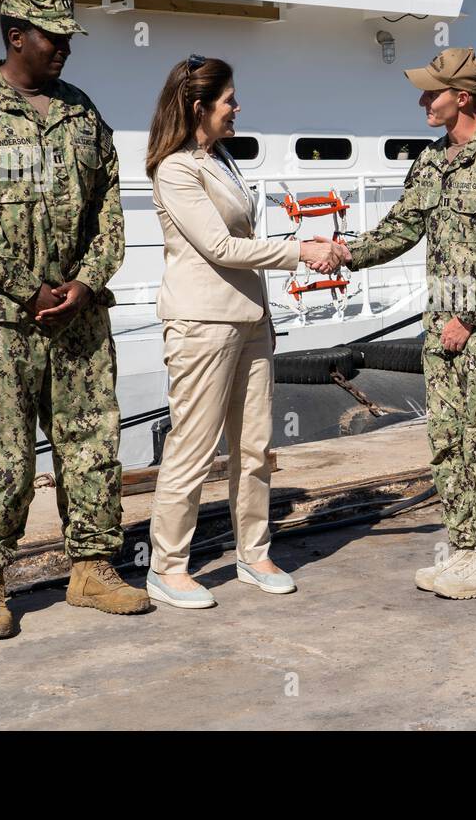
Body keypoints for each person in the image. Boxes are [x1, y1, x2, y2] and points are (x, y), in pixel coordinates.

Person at [0, 0, 149, 641]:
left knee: (91, 442)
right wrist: (27, 288)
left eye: (68, 36)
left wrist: (85, 280)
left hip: (78, 316)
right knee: (2, 449)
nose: (65, 47)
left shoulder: (82, 111)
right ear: (16, 35)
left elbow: (109, 206)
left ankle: (92, 566)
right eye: (53, 36)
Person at [144, 55, 344, 608]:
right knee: (193, 446)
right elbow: (220, 247)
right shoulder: (176, 168)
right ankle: (167, 567)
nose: (237, 107)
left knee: (254, 446)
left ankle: (253, 554)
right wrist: (302, 250)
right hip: (203, 323)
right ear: (198, 106)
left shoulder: (222, 157)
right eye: (229, 99)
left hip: (251, 319)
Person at [345, 47, 476, 599]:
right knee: (448, 438)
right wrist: (345, 254)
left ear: (463, 97)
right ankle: (465, 546)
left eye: (433, 91)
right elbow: (400, 227)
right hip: (444, 325)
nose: (424, 99)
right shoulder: (432, 161)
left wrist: (467, 315)